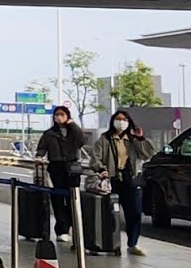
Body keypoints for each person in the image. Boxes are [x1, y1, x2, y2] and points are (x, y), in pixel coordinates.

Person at [92, 110, 156, 255]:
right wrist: (101, 169)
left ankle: (133, 243)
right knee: (110, 213)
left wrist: (140, 138)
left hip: (131, 179)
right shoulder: (105, 139)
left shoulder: (133, 140)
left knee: (134, 212)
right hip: (112, 179)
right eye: (118, 119)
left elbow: (148, 154)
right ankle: (109, 243)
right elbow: (95, 158)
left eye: (124, 119)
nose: (121, 122)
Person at [35, 105, 86, 242]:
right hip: (56, 166)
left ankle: (73, 226)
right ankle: (61, 229)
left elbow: (82, 141)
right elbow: (42, 148)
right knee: (57, 199)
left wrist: (72, 124)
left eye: (62, 114)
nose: (59, 117)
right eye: (56, 114)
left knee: (72, 199)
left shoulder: (73, 131)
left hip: (72, 167)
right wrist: (39, 157)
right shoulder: (49, 133)